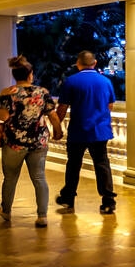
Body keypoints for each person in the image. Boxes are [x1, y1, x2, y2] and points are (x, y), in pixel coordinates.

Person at [0, 55, 62, 227]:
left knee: (10, 178)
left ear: (15, 75)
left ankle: (6, 211)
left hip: (13, 142)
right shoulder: (43, 92)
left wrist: (1, 100)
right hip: (38, 142)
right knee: (39, 177)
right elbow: (52, 115)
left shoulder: (8, 93)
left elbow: (2, 117)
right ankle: (42, 216)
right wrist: (58, 131)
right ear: (30, 74)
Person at [54, 51, 117, 216]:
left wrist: (56, 128)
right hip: (100, 131)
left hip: (78, 130)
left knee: (73, 164)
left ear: (78, 63)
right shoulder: (106, 82)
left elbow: (62, 109)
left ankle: (68, 198)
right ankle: (108, 201)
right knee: (102, 165)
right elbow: (110, 106)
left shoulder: (71, 81)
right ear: (94, 63)